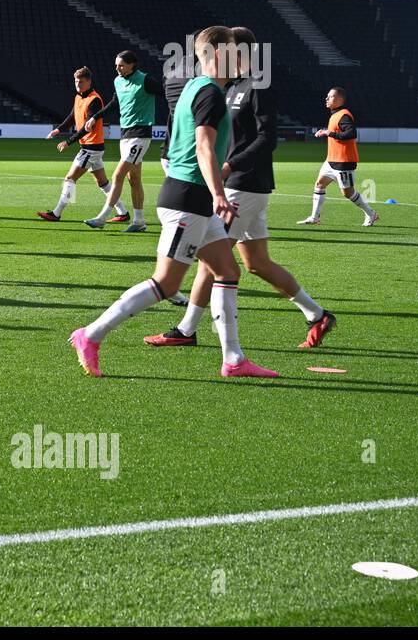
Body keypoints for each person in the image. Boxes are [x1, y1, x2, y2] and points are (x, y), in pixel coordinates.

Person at [69, 25, 278, 380]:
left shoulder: (199, 87)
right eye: (234, 49)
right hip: (188, 200)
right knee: (166, 284)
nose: (242, 56)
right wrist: (219, 194)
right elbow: (204, 148)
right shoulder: (210, 93)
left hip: (191, 198)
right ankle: (90, 335)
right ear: (215, 54)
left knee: (227, 271)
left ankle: (234, 359)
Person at [147, 27, 336, 350]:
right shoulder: (230, 87)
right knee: (256, 263)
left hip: (243, 185)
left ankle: (186, 329)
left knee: (213, 261)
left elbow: (267, 138)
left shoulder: (259, 86)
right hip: (242, 185)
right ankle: (316, 314)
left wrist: (229, 166)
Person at [37, 66, 128, 223]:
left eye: (81, 82)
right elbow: (73, 116)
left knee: (70, 178)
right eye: (76, 81)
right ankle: (123, 212)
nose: (78, 85)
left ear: (89, 82)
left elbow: (88, 127)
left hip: (91, 147)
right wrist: (58, 130)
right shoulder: (79, 96)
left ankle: (57, 213)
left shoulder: (95, 100)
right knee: (103, 183)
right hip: (92, 147)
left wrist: (68, 141)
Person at [83, 50, 160, 232]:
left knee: (117, 175)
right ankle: (139, 222)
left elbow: (166, 94)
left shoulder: (146, 80)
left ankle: (102, 218)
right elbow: (114, 103)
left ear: (132, 64)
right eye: (116, 65)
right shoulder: (118, 81)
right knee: (134, 179)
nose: (117, 68)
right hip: (125, 135)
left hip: (141, 134)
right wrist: (95, 117)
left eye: (121, 65)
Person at [298, 87, 379, 227]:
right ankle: (314, 217)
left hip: (343, 162)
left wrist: (329, 133)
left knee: (348, 193)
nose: (327, 99)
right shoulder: (335, 115)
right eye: (327, 96)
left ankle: (371, 214)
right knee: (319, 184)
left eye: (330, 96)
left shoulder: (344, 115)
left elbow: (351, 134)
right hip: (331, 160)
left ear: (340, 99)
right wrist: (327, 132)